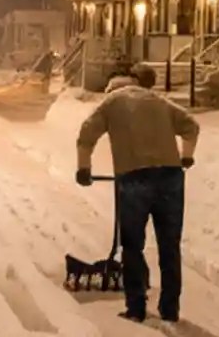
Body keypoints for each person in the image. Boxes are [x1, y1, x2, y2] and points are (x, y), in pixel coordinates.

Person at [75, 64, 200, 324]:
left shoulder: (110, 102)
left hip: (134, 179)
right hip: (170, 177)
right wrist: (186, 156)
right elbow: (191, 125)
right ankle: (170, 308)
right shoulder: (157, 100)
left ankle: (136, 306)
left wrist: (83, 169)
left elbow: (86, 135)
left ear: (112, 88)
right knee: (169, 245)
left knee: (132, 245)